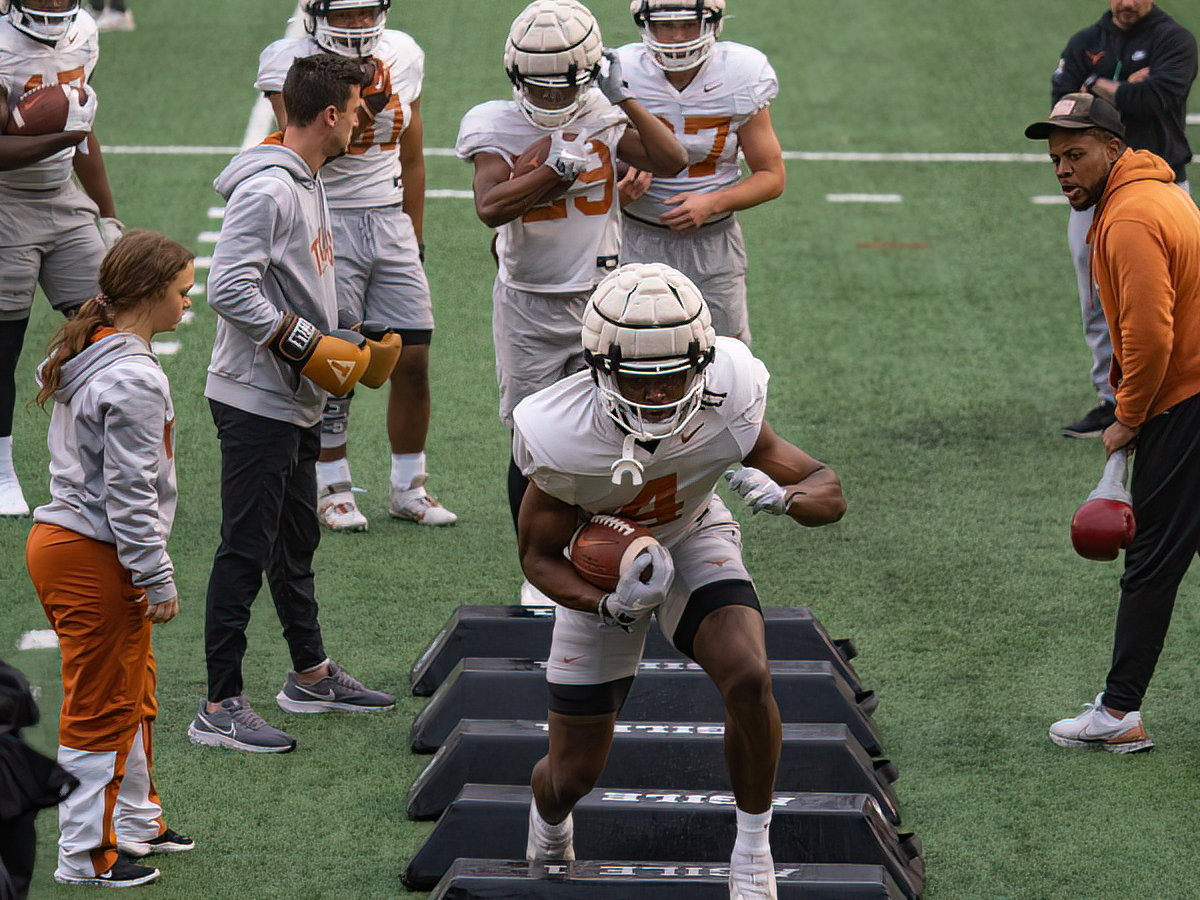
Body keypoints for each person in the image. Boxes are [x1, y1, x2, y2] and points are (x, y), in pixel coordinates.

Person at [513, 263, 846, 899]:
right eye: (644, 378)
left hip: (692, 532)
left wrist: (787, 499)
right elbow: (537, 556)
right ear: (600, 368)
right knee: (571, 775)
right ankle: (550, 824)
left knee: (749, 675)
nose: (661, 395)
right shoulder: (559, 432)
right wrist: (606, 602)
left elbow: (827, 488)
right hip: (602, 569)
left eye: (674, 375)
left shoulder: (733, 388)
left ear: (703, 361)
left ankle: (752, 852)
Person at [189, 53, 397, 756]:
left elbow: (291, 280)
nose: (365, 117)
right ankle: (218, 704)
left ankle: (308, 675)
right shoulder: (270, 191)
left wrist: (342, 338)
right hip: (257, 398)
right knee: (246, 549)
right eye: (357, 106)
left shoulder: (308, 178)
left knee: (294, 542)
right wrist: (306, 342)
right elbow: (227, 289)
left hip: (294, 394)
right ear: (330, 114)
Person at [455, 0, 687, 546]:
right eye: (538, 85)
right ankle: (535, 559)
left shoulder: (603, 116)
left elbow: (672, 159)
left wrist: (622, 95)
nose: (551, 97)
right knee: (530, 439)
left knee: (615, 422)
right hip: (527, 302)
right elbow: (489, 206)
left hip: (599, 298)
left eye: (564, 85)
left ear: (588, 75)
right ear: (515, 75)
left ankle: (605, 537)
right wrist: (552, 175)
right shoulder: (493, 122)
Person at [1025, 94, 1200, 753]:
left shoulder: (1128, 217)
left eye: (1076, 155)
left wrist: (1128, 420)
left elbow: (1150, 337)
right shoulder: (1159, 191)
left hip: (1184, 401)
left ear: (1111, 148)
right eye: (1055, 160)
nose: (1064, 170)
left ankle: (1120, 712)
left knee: (1151, 560)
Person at [23, 230, 196, 888]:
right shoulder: (131, 375)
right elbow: (129, 493)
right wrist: (156, 574)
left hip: (75, 544)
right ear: (149, 296)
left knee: (134, 689)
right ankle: (82, 856)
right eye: (181, 293)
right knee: (100, 705)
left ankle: (135, 820)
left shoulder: (96, 347)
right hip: (95, 553)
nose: (187, 304)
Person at [256, 0, 457, 532]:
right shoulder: (289, 61)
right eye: (344, 14)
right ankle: (332, 485)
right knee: (337, 360)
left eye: (367, 11)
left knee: (411, 356)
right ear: (316, 13)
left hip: (387, 218)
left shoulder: (403, 53)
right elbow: (303, 151)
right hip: (324, 217)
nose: (358, 24)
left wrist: (414, 235)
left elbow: (411, 156)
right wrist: (351, 112)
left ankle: (409, 486)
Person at [1049, 0, 1196, 438]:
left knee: (1163, 300)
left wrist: (1099, 88)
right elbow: (1063, 107)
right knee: (1096, 299)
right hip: (1094, 196)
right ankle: (1110, 397)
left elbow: (1156, 97)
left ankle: (1154, 399)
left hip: (1157, 183)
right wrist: (1121, 88)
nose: (1127, 3)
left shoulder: (1175, 40)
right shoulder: (1086, 42)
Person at [0, 0, 122, 517]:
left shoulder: (86, 31)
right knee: (4, 344)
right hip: (5, 201)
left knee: (108, 322)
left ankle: (63, 360)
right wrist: (66, 133)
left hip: (62, 196)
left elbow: (85, 129)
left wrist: (108, 216)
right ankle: (2, 470)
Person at [614, 0, 784, 344]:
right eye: (666, 24)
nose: (677, 37)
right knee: (627, 355)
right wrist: (616, 193)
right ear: (645, 24)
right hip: (631, 238)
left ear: (713, 24)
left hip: (713, 241)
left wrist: (713, 202)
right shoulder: (619, 71)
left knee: (723, 355)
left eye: (689, 24)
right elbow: (588, 163)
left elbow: (772, 175)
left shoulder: (741, 72)